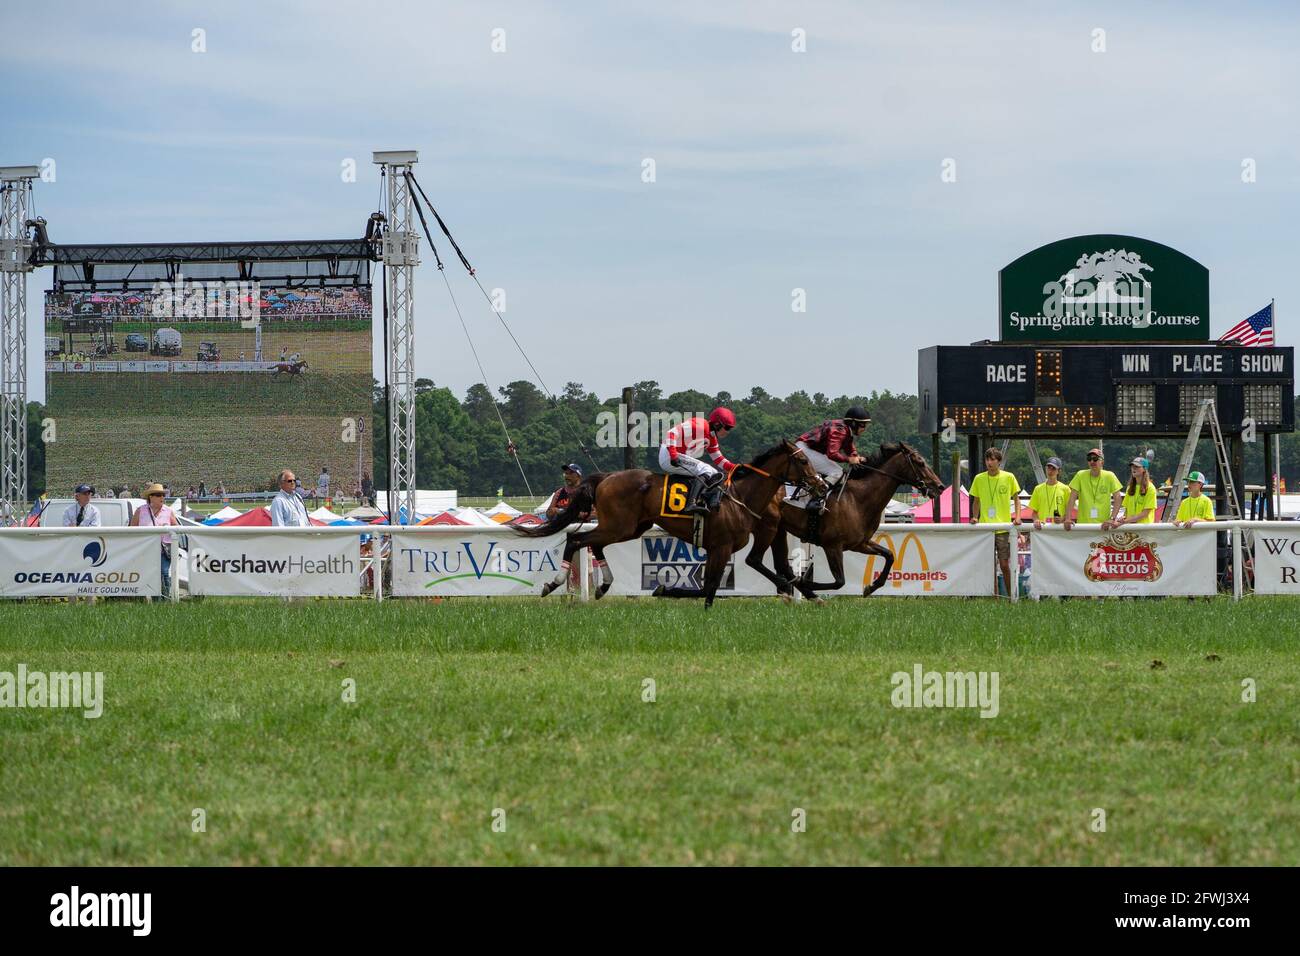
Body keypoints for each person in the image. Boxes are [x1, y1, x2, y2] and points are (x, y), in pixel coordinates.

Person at [659, 407, 737, 514]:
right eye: (727, 428)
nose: (728, 432)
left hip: (676, 455)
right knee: (706, 469)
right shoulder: (699, 426)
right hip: (668, 454)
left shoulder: (712, 438)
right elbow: (671, 433)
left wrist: (737, 468)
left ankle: (703, 500)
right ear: (717, 424)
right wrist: (673, 455)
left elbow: (719, 460)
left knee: (715, 473)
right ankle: (691, 503)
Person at [795, 405, 871, 512]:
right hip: (804, 451)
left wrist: (856, 457)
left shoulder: (845, 429)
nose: (864, 428)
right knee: (837, 472)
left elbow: (849, 447)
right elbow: (832, 454)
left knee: (837, 472)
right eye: (863, 425)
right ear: (854, 423)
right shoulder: (840, 430)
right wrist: (849, 460)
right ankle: (815, 501)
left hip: (808, 449)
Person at [969, 447, 1021, 595]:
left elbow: (1016, 500)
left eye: (992, 459)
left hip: (1003, 529)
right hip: (986, 529)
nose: (989, 462)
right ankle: (995, 597)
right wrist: (975, 517)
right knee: (989, 566)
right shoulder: (979, 478)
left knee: (1004, 565)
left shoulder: (1009, 477)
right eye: (987, 459)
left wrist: (1017, 517)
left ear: (999, 461)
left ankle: (1011, 596)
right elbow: (976, 501)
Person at [130, 483, 178, 592]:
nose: (162, 497)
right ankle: (155, 598)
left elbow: (177, 529)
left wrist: (167, 528)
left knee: (164, 572)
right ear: (150, 497)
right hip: (146, 549)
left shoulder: (168, 511)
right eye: (158, 495)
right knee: (150, 574)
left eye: (163, 495)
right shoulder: (140, 511)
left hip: (164, 549)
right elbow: (132, 529)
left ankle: (166, 598)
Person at [1063, 447, 1124, 530]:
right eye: (1089, 459)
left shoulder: (1110, 476)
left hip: (1103, 526)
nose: (1092, 461)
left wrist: (1112, 519)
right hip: (1083, 526)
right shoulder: (1080, 475)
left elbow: (1118, 499)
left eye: (1095, 459)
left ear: (1102, 461)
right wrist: (1067, 518)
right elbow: (1072, 498)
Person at [1104, 457, 1156, 529]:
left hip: (1144, 530)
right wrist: (1123, 518)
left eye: (1137, 467)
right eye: (1132, 466)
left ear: (1144, 469)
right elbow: (1127, 511)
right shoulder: (1130, 487)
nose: (1133, 468)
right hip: (1130, 529)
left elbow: (1145, 514)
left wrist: (1124, 521)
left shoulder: (1150, 488)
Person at [1029, 457, 1070, 529]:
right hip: (1043, 530)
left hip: (1059, 530)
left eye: (1053, 468)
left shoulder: (1065, 489)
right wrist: (1036, 520)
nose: (1050, 471)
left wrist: (1062, 519)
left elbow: (1069, 512)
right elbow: (1034, 513)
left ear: (1059, 471)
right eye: (1048, 468)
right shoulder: (1037, 489)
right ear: (1045, 468)